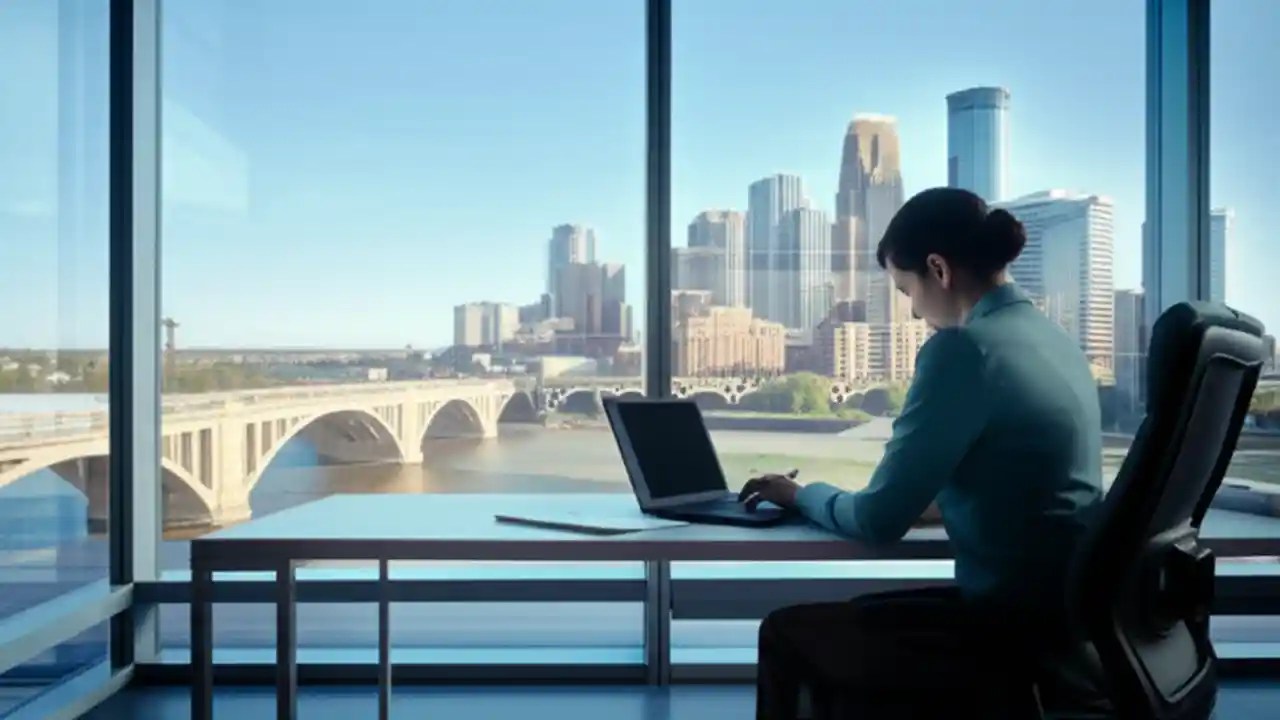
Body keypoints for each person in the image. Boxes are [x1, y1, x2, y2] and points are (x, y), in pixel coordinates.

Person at [739, 187, 1111, 718]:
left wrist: (801, 495)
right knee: (864, 617)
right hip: (1072, 622)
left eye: (904, 289)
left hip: (1012, 632)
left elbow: (877, 521)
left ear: (938, 269)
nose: (912, 313)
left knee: (788, 634)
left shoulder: (963, 351)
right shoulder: (1055, 341)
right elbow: (1017, 480)